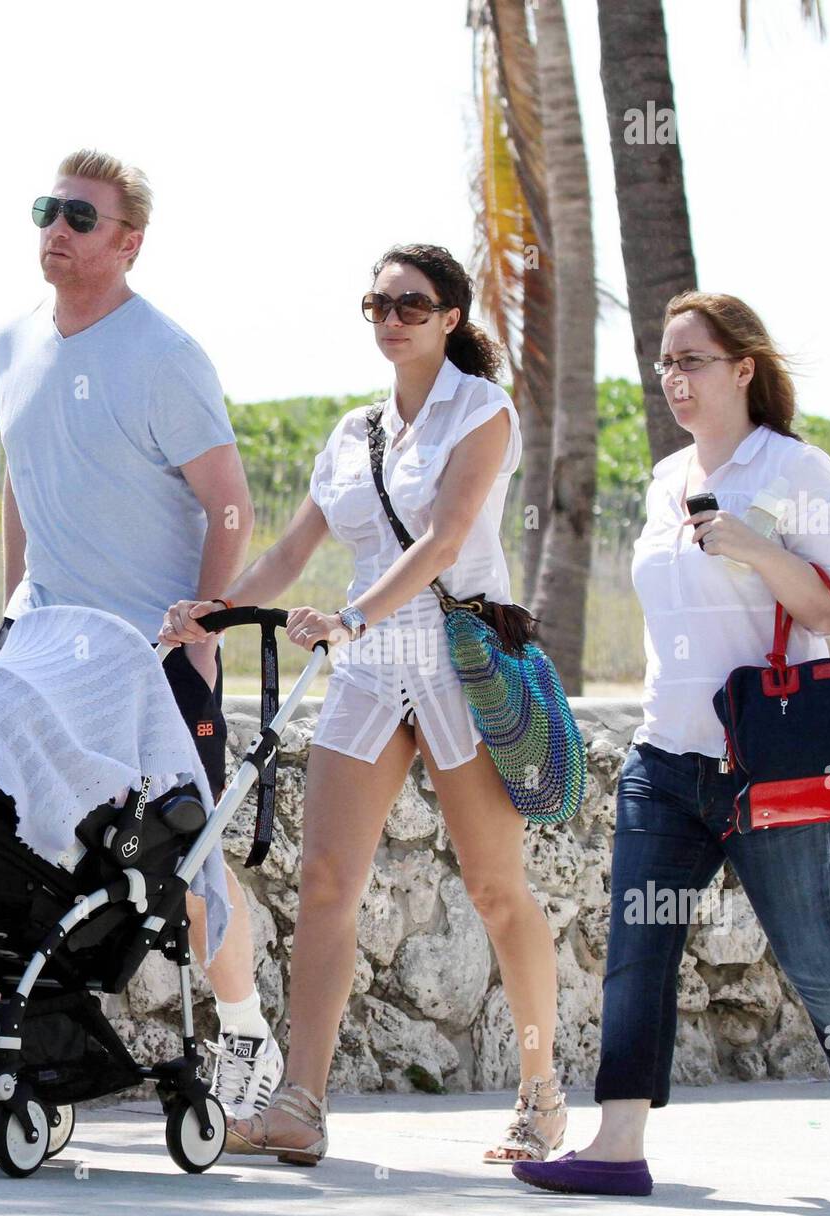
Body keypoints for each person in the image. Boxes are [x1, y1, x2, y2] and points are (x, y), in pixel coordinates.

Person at [160, 244, 567, 1166]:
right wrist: (213, 613)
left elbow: (445, 537)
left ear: (452, 317)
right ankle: (301, 1102)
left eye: (412, 305)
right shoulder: (351, 432)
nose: (391, 319)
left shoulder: (483, 411)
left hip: (459, 662)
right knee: (324, 884)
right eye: (376, 304)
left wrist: (350, 614)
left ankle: (541, 1094)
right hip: (368, 665)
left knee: (497, 889)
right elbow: (289, 554)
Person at [0, 148, 282, 1140]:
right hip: (43, 653)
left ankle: (246, 1036)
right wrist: (11, 619)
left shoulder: (163, 355)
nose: (58, 229)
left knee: (186, 858)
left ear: (129, 241)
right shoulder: (10, 344)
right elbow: (19, 482)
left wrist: (203, 621)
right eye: (47, 210)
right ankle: (29, 1066)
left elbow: (231, 503)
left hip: (153, 666)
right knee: (12, 850)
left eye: (80, 215)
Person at [513, 291, 830, 1198]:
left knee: (810, 952)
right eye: (663, 362)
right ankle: (619, 1145)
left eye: (692, 360)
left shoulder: (796, 469)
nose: (673, 379)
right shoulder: (662, 478)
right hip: (666, 758)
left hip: (767, 763)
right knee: (638, 945)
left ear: (743, 367)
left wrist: (758, 549)